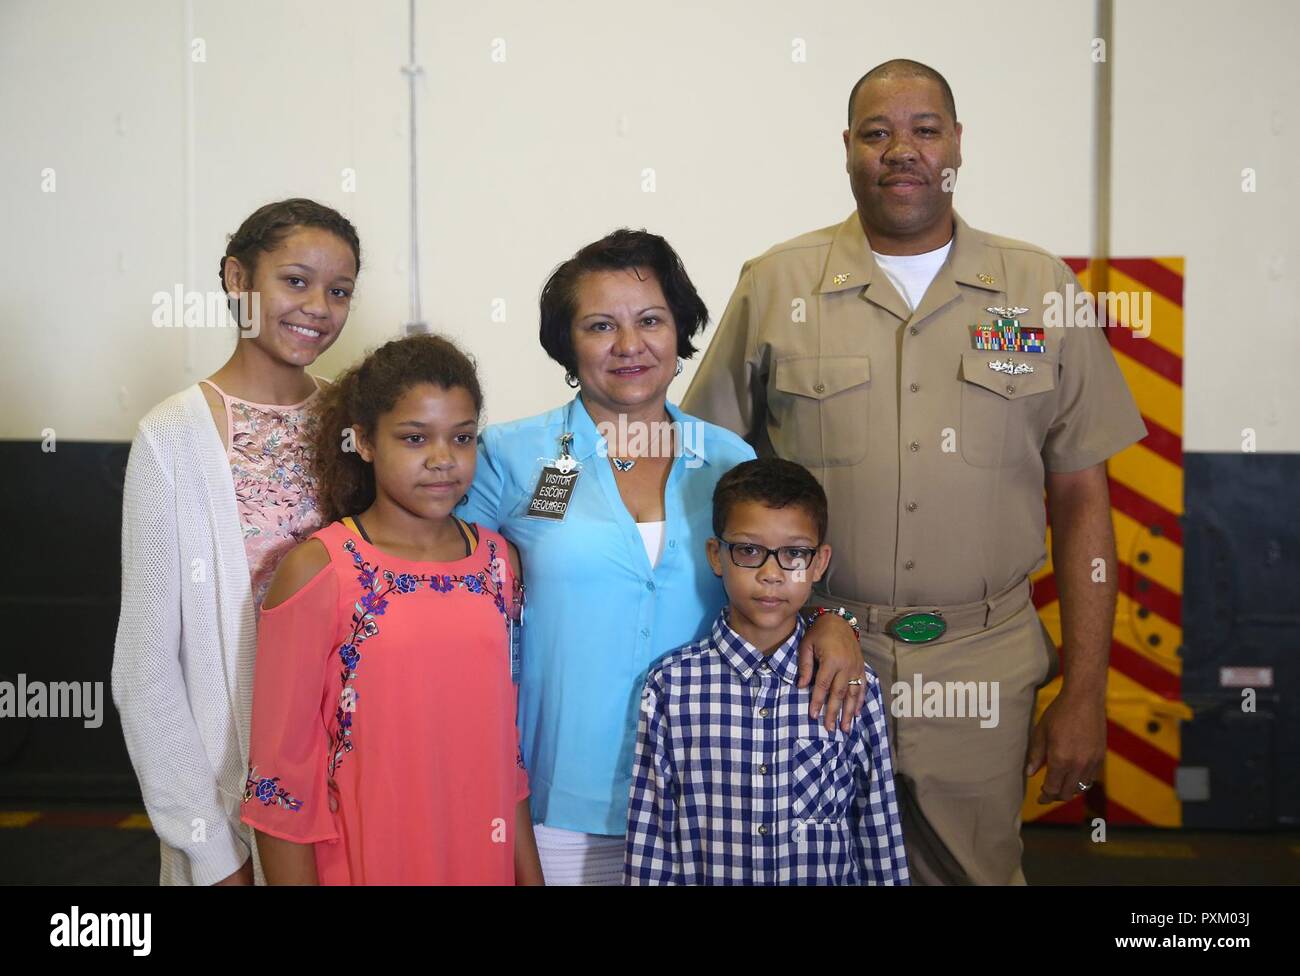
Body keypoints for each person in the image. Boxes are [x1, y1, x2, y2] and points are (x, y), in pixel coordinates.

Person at [682, 59, 1147, 885]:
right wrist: (804, 611)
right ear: (849, 151)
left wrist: (1085, 690)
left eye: (925, 130)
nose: (903, 149)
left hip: (983, 664)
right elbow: (712, 472)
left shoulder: (1036, 291)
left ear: (957, 144)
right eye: (877, 132)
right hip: (809, 658)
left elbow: (1081, 498)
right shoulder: (777, 283)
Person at [456, 229, 865, 885]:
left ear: (681, 333)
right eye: (599, 326)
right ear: (568, 343)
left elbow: (776, 576)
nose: (629, 346)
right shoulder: (508, 456)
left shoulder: (730, 458)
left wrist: (832, 617)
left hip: (710, 794)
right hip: (561, 795)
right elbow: (433, 582)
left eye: (651, 320)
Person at [112, 198, 361, 885]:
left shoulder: (359, 420)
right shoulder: (174, 435)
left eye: (338, 291)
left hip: (354, 786)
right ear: (237, 279)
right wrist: (209, 849)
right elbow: (145, 669)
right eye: (295, 280)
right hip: (233, 806)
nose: (318, 306)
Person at [240, 334, 543, 885]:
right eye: (414, 437)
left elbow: (507, 757)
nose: (443, 459)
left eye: (463, 437)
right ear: (365, 442)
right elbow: (280, 780)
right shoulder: (320, 571)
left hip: (481, 857)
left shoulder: (499, 563)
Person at [625, 458, 909, 885]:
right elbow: (653, 840)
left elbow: (877, 830)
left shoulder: (853, 686)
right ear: (716, 556)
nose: (772, 574)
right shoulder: (670, 687)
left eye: (794, 553)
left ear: (819, 562)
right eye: (749, 550)